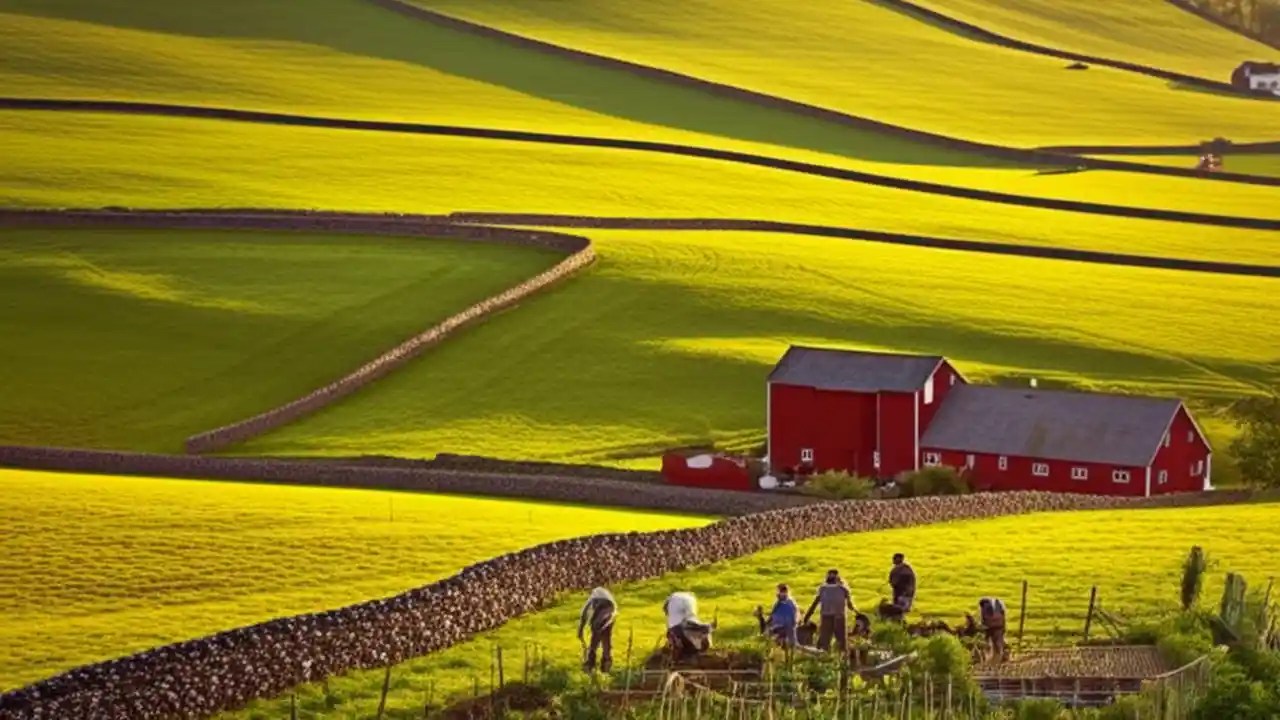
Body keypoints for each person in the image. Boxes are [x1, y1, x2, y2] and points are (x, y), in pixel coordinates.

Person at [803, 569, 856, 653]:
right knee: (826, 640)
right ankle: (826, 659)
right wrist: (807, 616)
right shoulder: (823, 589)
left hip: (838, 617)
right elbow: (815, 603)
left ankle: (842, 660)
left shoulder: (842, 589)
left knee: (840, 641)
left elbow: (850, 605)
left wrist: (857, 613)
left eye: (832, 575)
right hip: (828, 617)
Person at [663, 591, 714, 661]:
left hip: (675, 603)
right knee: (690, 620)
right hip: (690, 601)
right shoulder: (688, 599)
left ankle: (677, 657)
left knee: (675, 629)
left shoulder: (671, 605)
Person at [577, 587, 617, 673]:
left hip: (606, 609)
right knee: (605, 637)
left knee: (596, 629)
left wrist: (580, 630)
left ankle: (592, 662)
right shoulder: (602, 593)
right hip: (612, 612)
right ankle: (605, 661)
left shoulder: (593, 596)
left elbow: (584, 614)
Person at [978, 597, 1008, 662]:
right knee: (998, 643)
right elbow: (1003, 616)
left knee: (989, 643)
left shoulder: (984, 607)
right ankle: (999, 658)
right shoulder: (999, 603)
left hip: (989, 627)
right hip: (999, 626)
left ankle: (992, 659)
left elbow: (983, 620)